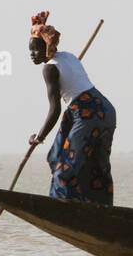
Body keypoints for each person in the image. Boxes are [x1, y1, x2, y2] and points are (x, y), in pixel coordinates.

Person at [27, 11, 116, 204]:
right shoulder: (68, 56)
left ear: (46, 46)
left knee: (64, 166)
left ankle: (63, 206)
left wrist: (39, 137)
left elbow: (55, 110)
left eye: (35, 49)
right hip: (105, 110)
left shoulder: (49, 68)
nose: (32, 55)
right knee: (95, 165)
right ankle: (98, 205)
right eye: (29, 50)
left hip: (87, 113)